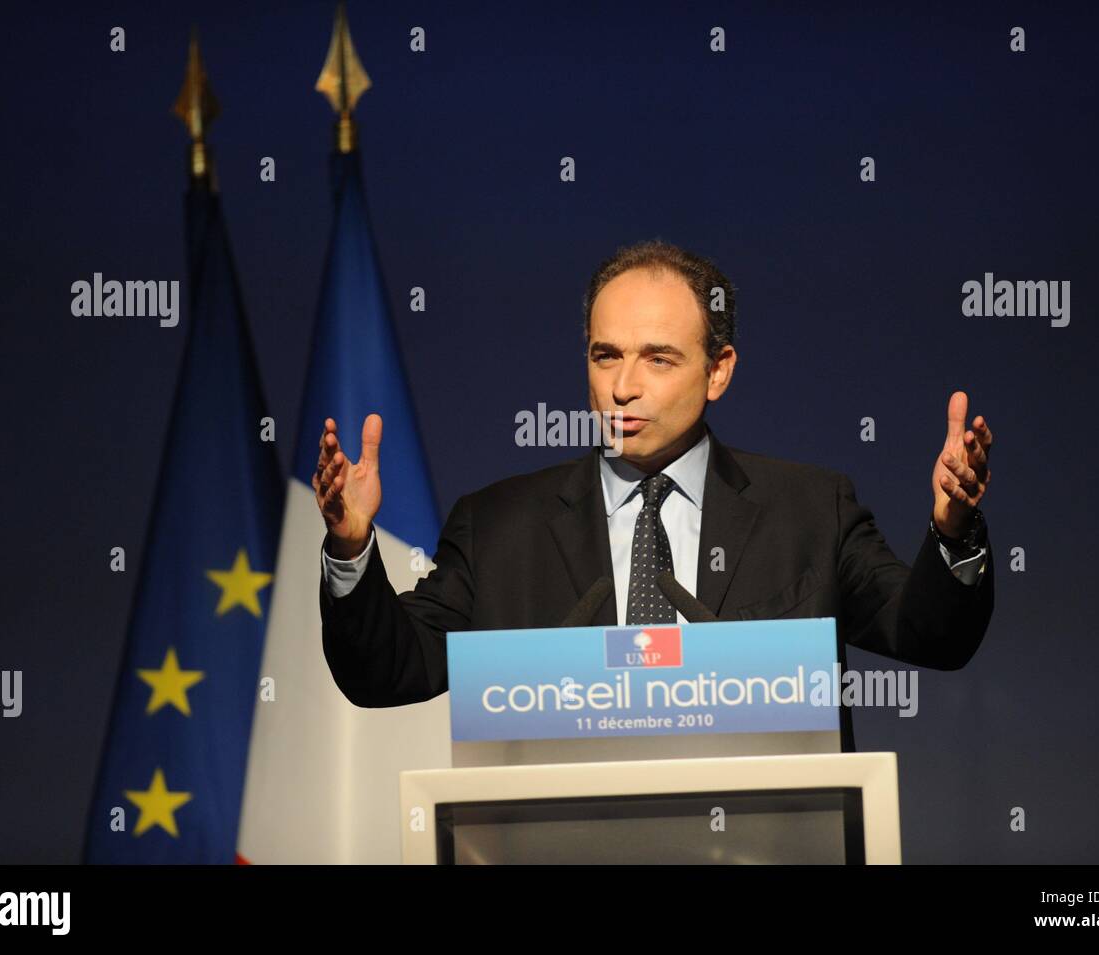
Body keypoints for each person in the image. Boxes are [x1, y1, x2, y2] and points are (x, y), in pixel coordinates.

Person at [313, 239, 994, 752]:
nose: (624, 386)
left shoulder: (811, 512)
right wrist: (349, 549)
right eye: (605, 355)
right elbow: (386, 672)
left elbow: (931, 634)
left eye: (658, 358)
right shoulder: (498, 528)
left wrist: (954, 532)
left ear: (718, 370)